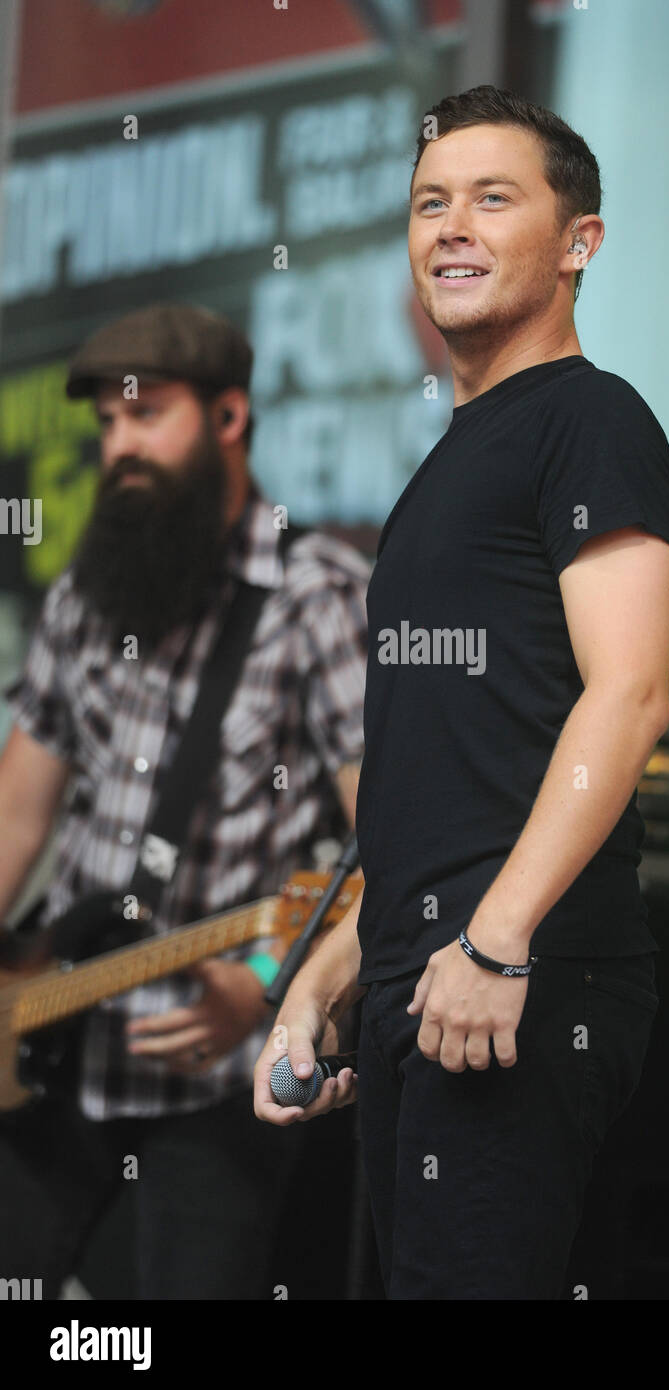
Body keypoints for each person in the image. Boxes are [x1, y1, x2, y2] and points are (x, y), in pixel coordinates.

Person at [255, 85, 669, 1301]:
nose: (450, 225)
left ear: (577, 243)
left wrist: (496, 941)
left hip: (514, 975)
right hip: (418, 979)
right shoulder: (446, 469)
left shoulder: (591, 423)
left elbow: (631, 695)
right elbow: (434, 791)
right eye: (429, 202)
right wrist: (330, 978)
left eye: (493, 199)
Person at [0, 302, 370, 1298]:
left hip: (219, 1073)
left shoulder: (319, 595)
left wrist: (261, 975)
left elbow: (384, 845)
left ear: (229, 418)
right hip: (51, 1041)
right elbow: (17, 813)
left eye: (145, 415)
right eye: (106, 426)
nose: (118, 445)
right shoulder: (88, 591)